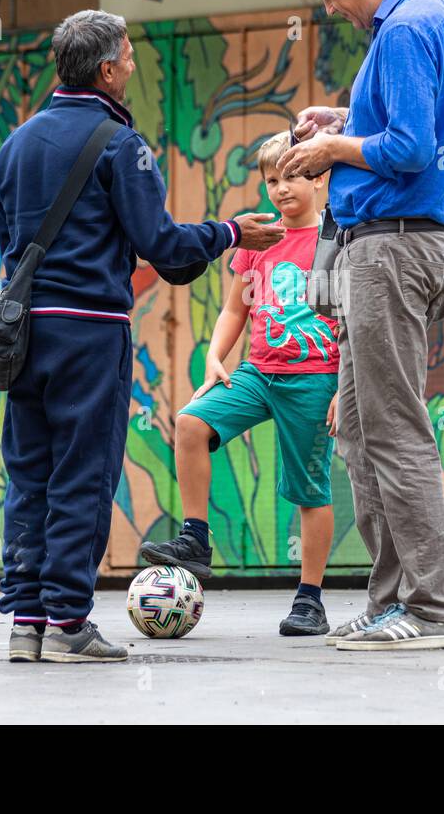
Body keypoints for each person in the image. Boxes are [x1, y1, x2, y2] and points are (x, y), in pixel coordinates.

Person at [0, 9, 285, 664]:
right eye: (127, 56)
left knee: (30, 476)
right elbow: (165, 247)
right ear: (105, 70)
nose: (132, 64)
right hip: (90, 334)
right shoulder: (120, 145)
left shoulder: (15, 145)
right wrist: (232, 233)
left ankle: (28, 624)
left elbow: (9, 248)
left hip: (21, 337)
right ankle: (70, 624)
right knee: (82, 474)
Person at [279, 0, 444, 651]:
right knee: (358, 429)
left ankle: (426, 610)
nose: (330, 8)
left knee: (393, 430)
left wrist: (331, 146)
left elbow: (412, 148)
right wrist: (345, 118)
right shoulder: (423, 18)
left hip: (391, 251)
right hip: (380, 251)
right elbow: (396, 126)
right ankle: (391, 601)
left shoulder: (405, 28)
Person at [138, 131, 340, 636]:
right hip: (257, 370)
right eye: (272, 180)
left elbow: (354, 318)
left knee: (309, 489)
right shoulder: (259, 240)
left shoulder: (335, 241)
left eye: (293, 176)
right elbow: (235, 307)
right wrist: (213, 354)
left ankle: (310, 600)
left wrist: (346, 386)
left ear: (319, 178)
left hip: (314, 377)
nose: (281, 188)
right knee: (189, 423)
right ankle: (195, 539)